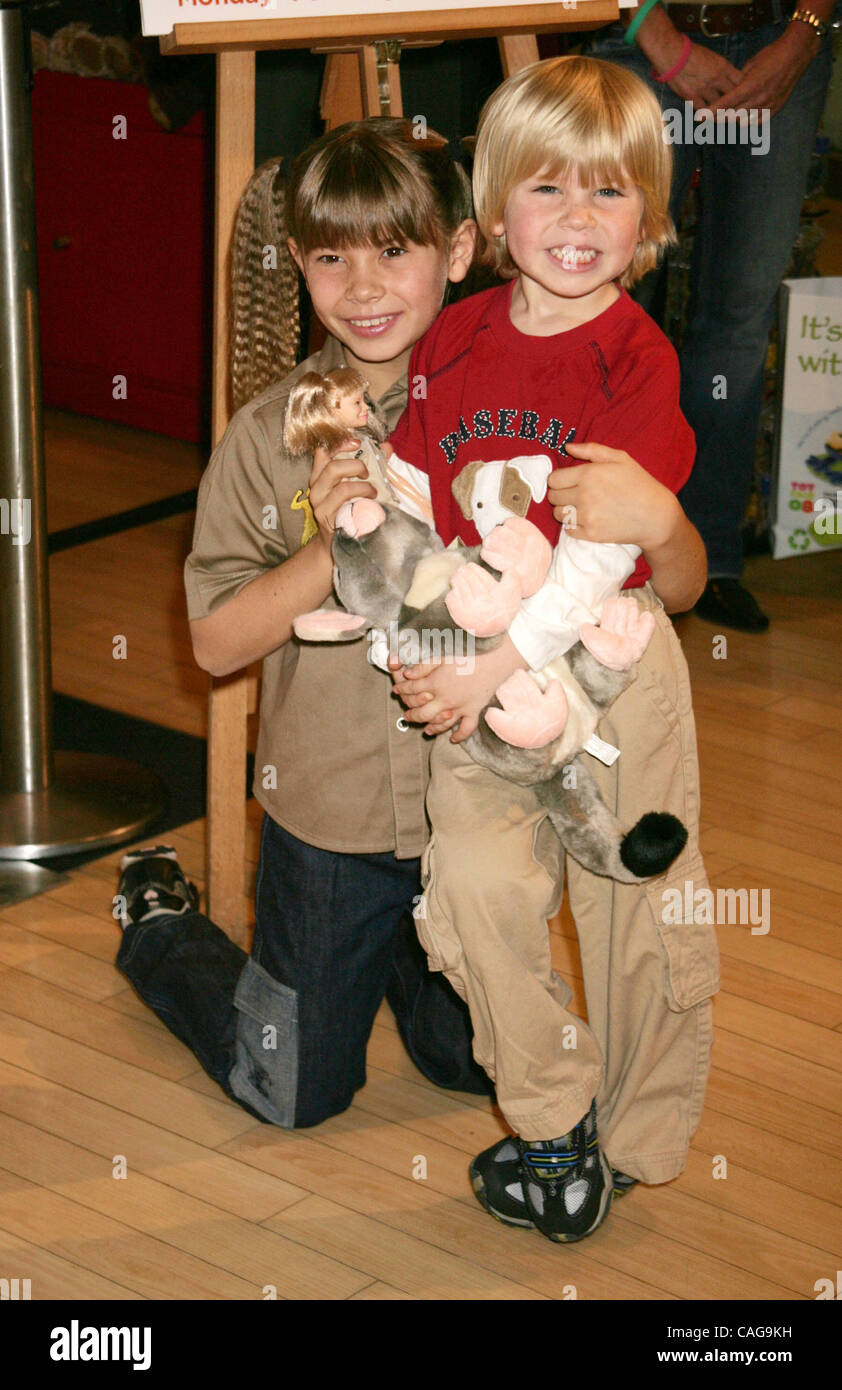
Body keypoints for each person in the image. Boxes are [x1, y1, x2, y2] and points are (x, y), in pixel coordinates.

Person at [386, 55, 718, 1243]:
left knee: (636, 904)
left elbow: (585, 557)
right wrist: (427, 646)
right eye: (545, 190)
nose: (576, 221)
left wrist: (487, 664)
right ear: (489, 210)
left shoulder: (637, 358)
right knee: (473, 884)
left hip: (608, 664)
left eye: (609, 194)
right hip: (476, 672)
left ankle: (630, 1141)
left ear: (650, 217)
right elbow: (421, 518)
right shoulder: (452, 340)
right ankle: (547, 1119)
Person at [114, 118, 492, 1129]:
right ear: (296, 263)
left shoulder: (503, 409)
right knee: (290, 1091)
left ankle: (412, 980)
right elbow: (214, 644)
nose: (363, 286)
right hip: (331, 824)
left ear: (455, 251)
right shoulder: (263, 435)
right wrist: (325, 550)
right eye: (331, 255)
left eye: (395, 249)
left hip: (473, 807)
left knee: (476, 1067)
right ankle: (158, 917)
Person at [585, 0, 837, 631]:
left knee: (738, 317)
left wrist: (804, 35)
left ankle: (710, 558)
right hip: (637, 38)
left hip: (785, 39)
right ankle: (589, 548)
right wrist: (657, 34)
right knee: (604, 300)